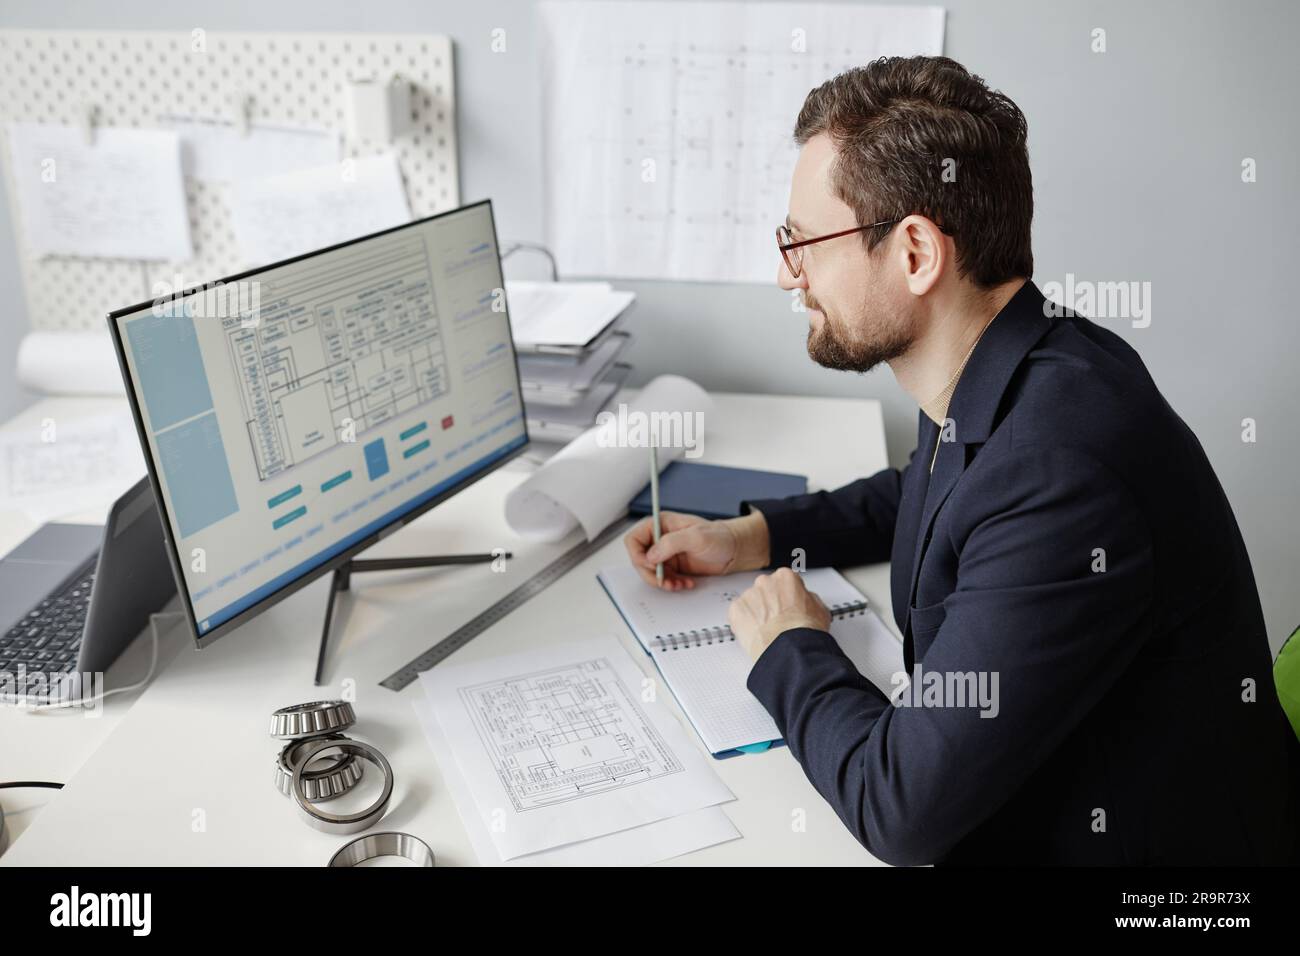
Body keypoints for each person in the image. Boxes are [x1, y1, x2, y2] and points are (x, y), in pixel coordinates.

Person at [624, 55, 1299, 866]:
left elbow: (898, 808)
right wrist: (755, 538)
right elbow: (932, 488)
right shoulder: (1027, 359)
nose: (786, 274)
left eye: (803, 242)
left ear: (915, 253)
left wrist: (789, 648)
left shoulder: (1063, 472)